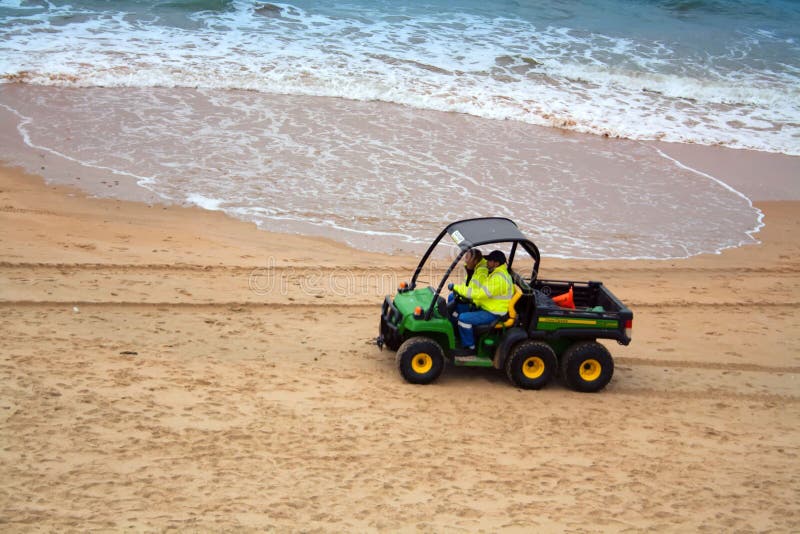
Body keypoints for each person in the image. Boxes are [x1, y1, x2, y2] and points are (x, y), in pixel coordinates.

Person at [450, 249, 514, 356]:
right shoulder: (496, 273)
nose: (486, 263)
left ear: (496, 263)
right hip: (489, 307)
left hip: (494, 312)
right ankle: (459, 334)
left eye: (489, 261)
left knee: (463, 319)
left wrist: (457, 288)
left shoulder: (499, 279)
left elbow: (480, 294)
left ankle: (470, 347)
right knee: (460, 307)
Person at [447, 248, 487, 321]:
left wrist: (457, 289)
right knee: (451, 297)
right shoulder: (472, 268)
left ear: (475, 261)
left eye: (467, 257)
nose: (465, 260)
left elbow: (472, 294)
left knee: (458, 303)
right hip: (468, 296)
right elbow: (466, 285)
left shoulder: (482, 273)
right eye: (465, 257)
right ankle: (453, 318)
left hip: (475, 303)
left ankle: (458, 322)